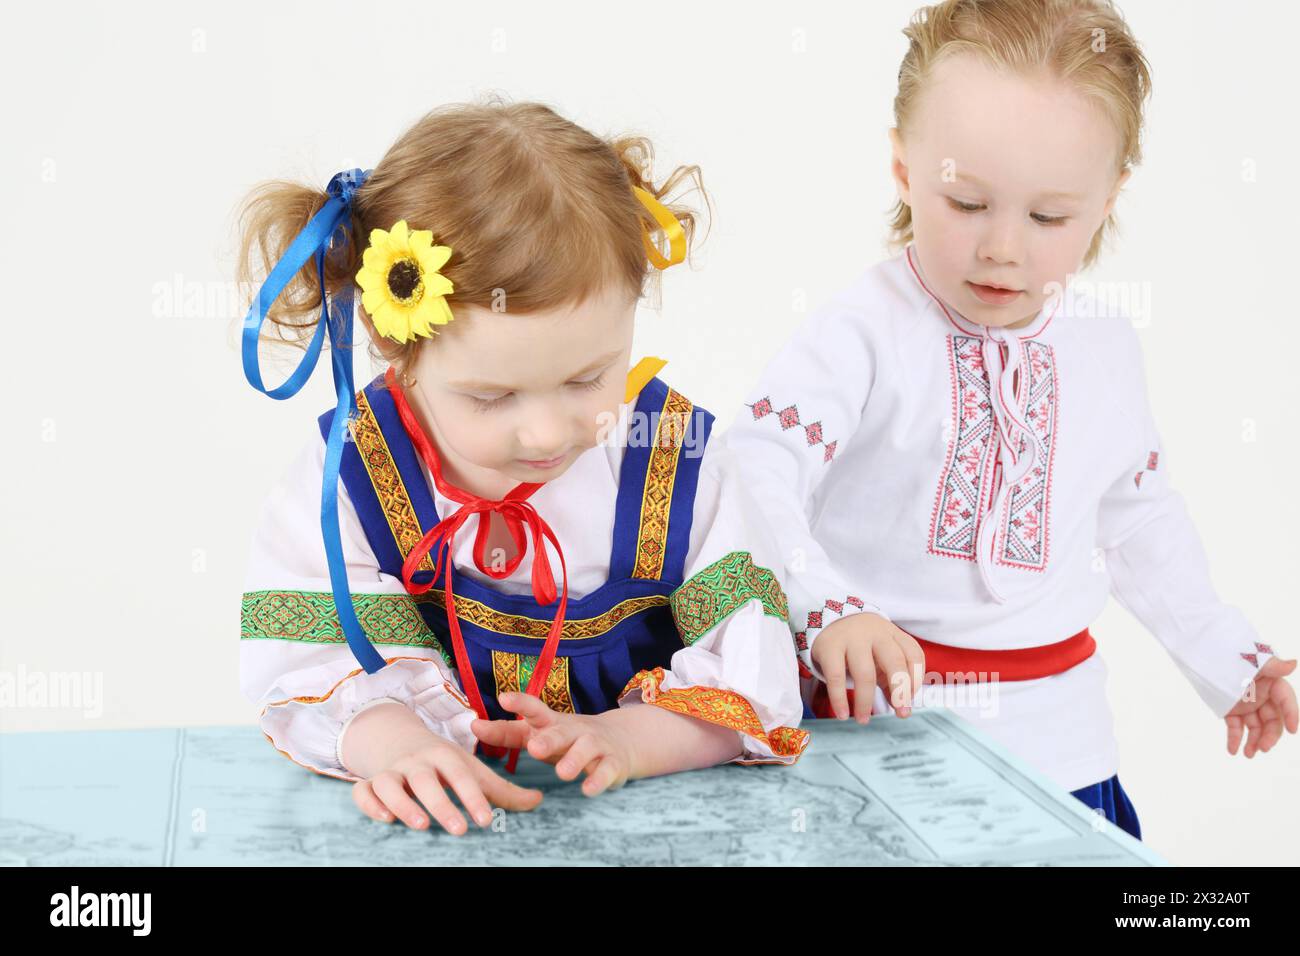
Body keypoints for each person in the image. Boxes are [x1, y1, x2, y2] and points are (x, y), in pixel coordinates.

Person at [724, 0, 1296, 840]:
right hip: (878, 755)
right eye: (966, 202)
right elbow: (752, 466)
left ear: (1108, 201)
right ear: (903, 168)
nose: (1002, 247)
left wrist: (1231, 664)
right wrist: (828, 606)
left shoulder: (1104, 347)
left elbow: (1139, 525)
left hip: (1066, 763)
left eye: (1048, 217)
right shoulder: (862, 331)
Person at [236, 99, 807, 836]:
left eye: (586, 379)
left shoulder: (673, 460)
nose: (544, 432)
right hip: (439, 834)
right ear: (395, 344)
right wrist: (398, 746)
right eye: (491, 396)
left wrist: (626, 740)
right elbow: (304, 669)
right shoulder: (353, 470)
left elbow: (752, 675)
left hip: (649, 829)